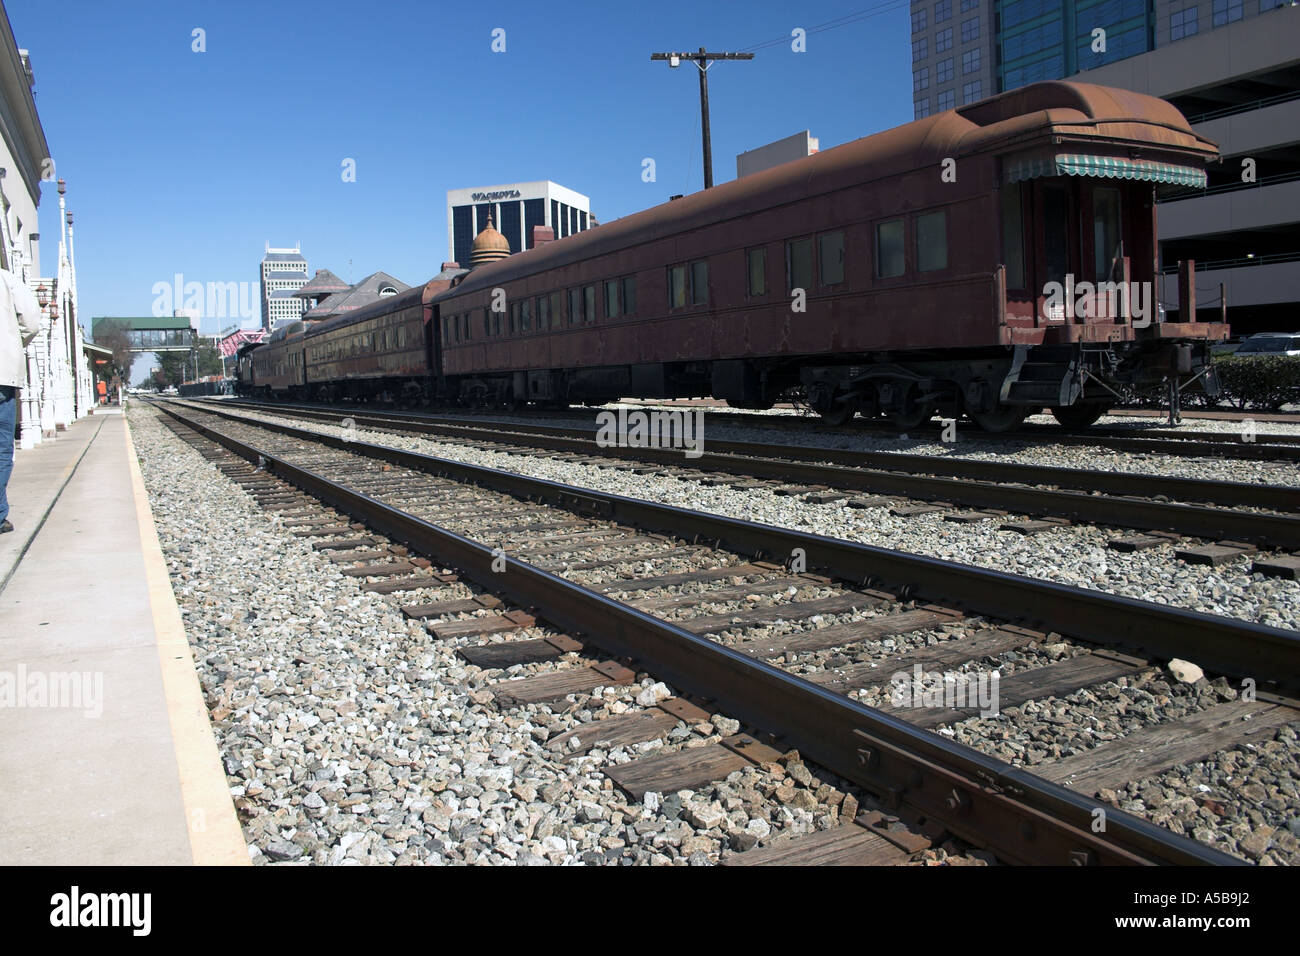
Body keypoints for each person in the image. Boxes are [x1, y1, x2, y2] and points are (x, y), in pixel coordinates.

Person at [0, 268, 41, 534]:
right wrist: (14, 340)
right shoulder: (7, 279)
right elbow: (32, 322)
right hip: (2, 373)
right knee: (2, 448)